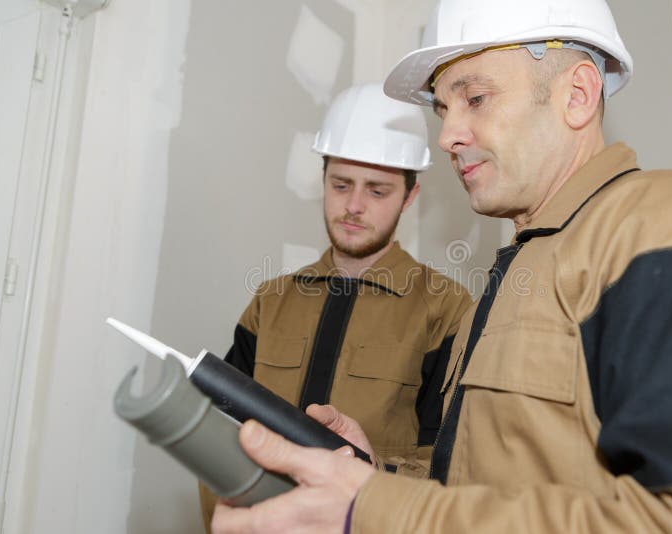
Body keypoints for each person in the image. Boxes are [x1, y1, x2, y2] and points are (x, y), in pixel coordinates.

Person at [211, 0, 672, 532]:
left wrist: (373, 508)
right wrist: (372, 473)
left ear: (577, 95)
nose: (447, 135)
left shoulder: (665, 233)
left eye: (475, 98)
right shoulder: (521, 269)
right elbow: (484, 486)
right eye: (443, 108)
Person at [198, 82, 471, 528]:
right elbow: (216, 431)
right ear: (322, 180)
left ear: (409, 197)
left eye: (377, 191)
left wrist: (367, 480)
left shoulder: (446, 310)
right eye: (341, 185)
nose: (354, 206)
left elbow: (452, 464)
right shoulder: (271, 301)